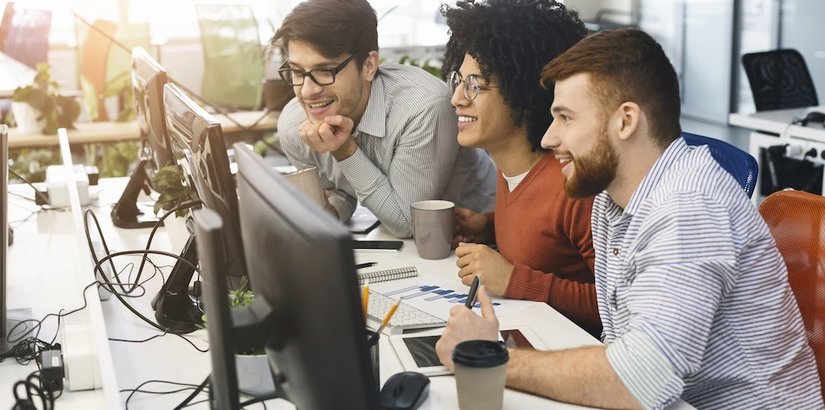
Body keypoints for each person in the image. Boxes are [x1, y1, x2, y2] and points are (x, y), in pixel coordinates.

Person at [436, 28, 824, 409]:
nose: (550, 138)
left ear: (625, 121)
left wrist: (489, 357)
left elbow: (641, 379)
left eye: (565, 118)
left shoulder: (689, 208)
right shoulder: (611, 197)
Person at [272, 0, 496, 238]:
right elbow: (340, 192)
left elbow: (408, 223)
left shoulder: (422, 108)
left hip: (486, 240)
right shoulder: (294, 125)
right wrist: (328, 211)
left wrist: (345, 151)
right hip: (405, 247)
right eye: (298, 72)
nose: (307, 91)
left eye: (325, 71)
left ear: (369, 65)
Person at [441, 0, 599, 337]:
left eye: (475, 85)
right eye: (458, 80)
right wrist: (488, 227)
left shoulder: (575, 188)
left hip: (568, 355)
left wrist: (515, 280)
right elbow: (544, 236)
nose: (456, 98)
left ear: (522, 92)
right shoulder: (509, 165)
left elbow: (613, 305)